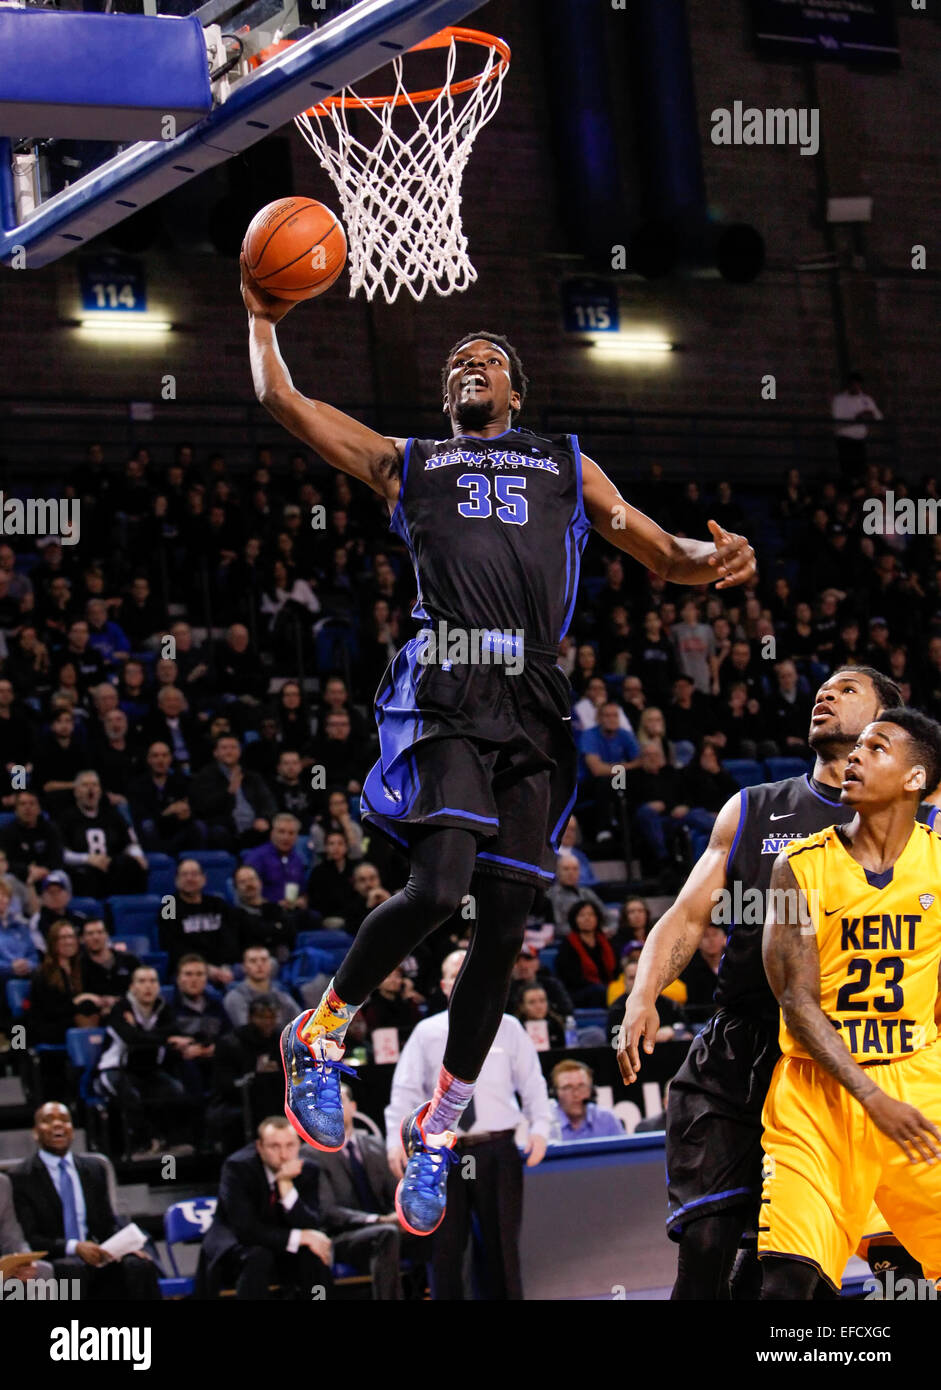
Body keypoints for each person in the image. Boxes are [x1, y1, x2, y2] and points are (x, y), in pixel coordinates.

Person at [242, 269, 756, 1238]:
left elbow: (654, 547)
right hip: (449, 674)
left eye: (488, 360)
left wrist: (710, 557)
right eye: (455, 362)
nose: (468, 363)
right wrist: (261, 317)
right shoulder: (413, 460)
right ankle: (320, 1032)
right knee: (438, 889)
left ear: (516, 391)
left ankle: (438, 1128)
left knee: (507, 923)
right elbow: (286, 403)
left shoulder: (564, 460)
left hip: (535, 692)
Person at [616, 667, 932, 1300]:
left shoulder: (925, 836)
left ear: (886, 721)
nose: (825, 695)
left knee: (824, 1269)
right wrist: (643, 993)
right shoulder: (756, 809)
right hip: (747, 1043)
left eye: (847, 690)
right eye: (824, 688)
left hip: (865, 1055)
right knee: (708, 1240)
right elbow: (685, 916)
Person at [760, 708, 941, 1298]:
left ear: (915, 779)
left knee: (913, 1277)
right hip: (818, 1098)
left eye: (877, 747)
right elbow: (795, 1000)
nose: (855, 756)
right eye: (855, 746)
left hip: (919, 1089)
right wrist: (870, 1096)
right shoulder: (797, 867)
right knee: (789, 1284)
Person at [385, 950, 552, 1299]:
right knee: (446, 1250)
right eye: (454, 973)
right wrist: (395, 1143)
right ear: (445, 984)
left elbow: (533, 1083)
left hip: (497, 1148)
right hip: (441, 1154)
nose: (462, 977)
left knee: (503, 1246)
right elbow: (405, 1092)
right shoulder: (425, 1033)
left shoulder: (509, 1028)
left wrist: (540, 1128)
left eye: (469, 969)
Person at [11, 1102, 160, 1300]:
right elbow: (32, 1237)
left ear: (72, 1130)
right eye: (48, 1121)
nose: (58, 1125)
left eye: (64, 1120)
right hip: (56, 1257)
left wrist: (126, 1247)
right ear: (35, 1132)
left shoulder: (93, 1169)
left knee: (138, 1265)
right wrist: (75, 1247)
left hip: (94, 1256)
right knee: (71, 1269)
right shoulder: (22, 1176)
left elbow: (107, 1224)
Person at [200, 1116, 334, 1300]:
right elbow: (246, 1230)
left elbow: (310, 1223)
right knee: (259, 1256)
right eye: (275, 1146)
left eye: (290, 1145)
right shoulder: (237, 1168)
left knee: (314, 1254)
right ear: (260, 1147)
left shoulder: (308, 1169)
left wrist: (286, 1186)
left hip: (279, 1243)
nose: (284, 1154)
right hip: (237, 1245)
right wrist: (300, 1237)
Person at [317, 1083, 420, 1300]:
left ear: (353, 1107)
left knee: (429, 1229)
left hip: (387, 1227)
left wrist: (404, 1217)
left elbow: (396, 1193)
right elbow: (328, 1211)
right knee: (386, 1235)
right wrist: (378, 1220)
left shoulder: (376, 1145)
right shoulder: (311, 1154)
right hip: (345, 1237)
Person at [95, 965, 193, 1157]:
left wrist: (142, 1032)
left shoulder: (164, 1008)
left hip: (148, 1069)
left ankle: (172, 1145)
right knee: (130, 1096)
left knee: (175, 1090)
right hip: (115, 1068)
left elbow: (174, 1032)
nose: (148, 986)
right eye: (142, 981)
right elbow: (132, 1039)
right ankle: (139, 1147)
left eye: (152, 981)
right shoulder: (120, 1008)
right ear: (132, 987)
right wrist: (161, 1038)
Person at [58, 770, 148, 898]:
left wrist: (137, 855)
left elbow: (130, 842)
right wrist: (88, 859)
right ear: (76, 791)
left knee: (132, 865)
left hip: (112, 870)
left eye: (94, 785)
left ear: (100, 790)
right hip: (84, 873)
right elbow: (62, 853)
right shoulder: (66, 819)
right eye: (85, 785)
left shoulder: (113, 816)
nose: (91, 789)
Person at [208, 996, 282, 1152]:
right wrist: (253, 1076)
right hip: (239, 1101)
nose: (268, 1023)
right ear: (250, 1018)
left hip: (276, 1100)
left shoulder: (282, 1040)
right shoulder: (231, 1043)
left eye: (272, 1018)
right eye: (262, 1018)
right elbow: (223, 1083)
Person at [190, 733, 276, 852]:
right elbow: (203, 808)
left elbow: (268, 803)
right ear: (215, 753)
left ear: (240, 751)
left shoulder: (252, 777)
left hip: (254, 829)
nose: (229, 751)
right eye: (224, 748)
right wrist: (229, 793)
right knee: (218, 832)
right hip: (226, 830)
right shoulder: (205, 776)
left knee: (280, 831)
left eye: (233, 747)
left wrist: (264, 818)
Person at [159, 858, 240, 983]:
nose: (189, 878)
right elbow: (171, 945)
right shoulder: (169, 905)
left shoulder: (217, 903)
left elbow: (231, 938)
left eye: (194, 874)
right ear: (176, 880)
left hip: (224, 966)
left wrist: (224, 966)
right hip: (188, 969)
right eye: (184, 874)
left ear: (204, 878)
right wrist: (205, 968)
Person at [128, 740, 204, 854]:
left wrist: (187, 814)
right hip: (155, 830)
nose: (160, 760)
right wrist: (166, 813)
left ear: (170, 759)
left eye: (164, 755)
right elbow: (140, 816)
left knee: (198, 826)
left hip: (177, 827)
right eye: (155, 756)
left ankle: (194, 864)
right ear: (149, 760)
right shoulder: (138, 785)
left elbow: (193, 807)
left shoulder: (182, 781)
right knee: (148, 826)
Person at [606, 949, 682, 1050]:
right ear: (624, 982)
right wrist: (651, 1037)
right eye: (631, 978)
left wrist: (673, 1031)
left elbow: (686, 1028)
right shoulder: (617, 1008)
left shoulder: (669, 1004)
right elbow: (614, 1043)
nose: (636, 982)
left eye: (639, 976)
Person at [554, 900, 617, 1008]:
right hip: (579, 992)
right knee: (600, 992)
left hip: (607, 987)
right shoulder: (567, 945)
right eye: (582, 915)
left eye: (591, 914)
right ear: (575, 919)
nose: (587, 918)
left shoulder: (605, 942)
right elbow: (571, 979)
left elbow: (616, 969)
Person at [223, 945, 299, 1030]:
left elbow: (300, 1022)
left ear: (271, 965)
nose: (259, 964)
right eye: (253, 961)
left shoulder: (281, 995)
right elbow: (245, 1029)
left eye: (264, 960)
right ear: (244, 967)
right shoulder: (235, 997)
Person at [549, 1059, 623, 1141]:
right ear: (555, 1093)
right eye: (568, 1087)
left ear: (591, 1090)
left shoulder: (607, 1119)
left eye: (581, 1086)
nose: (576, 1094)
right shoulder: (547, 1125)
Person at [77, 917, 141, 1011]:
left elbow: (142, 987)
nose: (96, 937)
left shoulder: (129, 960)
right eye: (90, 934)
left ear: (107, 935)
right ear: (82, 939)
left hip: (129, 1009)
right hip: (96, 1012)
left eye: (100, 932)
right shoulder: (79, 965)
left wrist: (119, 1001)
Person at [831, 371, 883, 482]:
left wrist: (870, 415)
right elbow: (837, 418)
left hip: (860, 440)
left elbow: (879, 416)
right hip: (845, 439)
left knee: (861, 469)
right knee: (847, 469)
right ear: (849, 384)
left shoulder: (866, 400)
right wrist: (856, 417)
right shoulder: (839, 400)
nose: (855, 386)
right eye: (853, 383)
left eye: (857, 384)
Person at [545, 853, 606, 936]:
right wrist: (588, 930)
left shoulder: (587, 893)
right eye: (566, 869)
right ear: (558, 872)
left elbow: (606, 915)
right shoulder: (551, 896)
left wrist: (607, 929)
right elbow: (558, 927)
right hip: (570, 940)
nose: (571, 873)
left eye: (575, 869)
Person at [516, 982, 565, 1049]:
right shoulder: (516, 1028)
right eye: (532, 1002)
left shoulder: (557, 1025)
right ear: (522, 1007)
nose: (539, 1006)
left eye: (542, 1000)